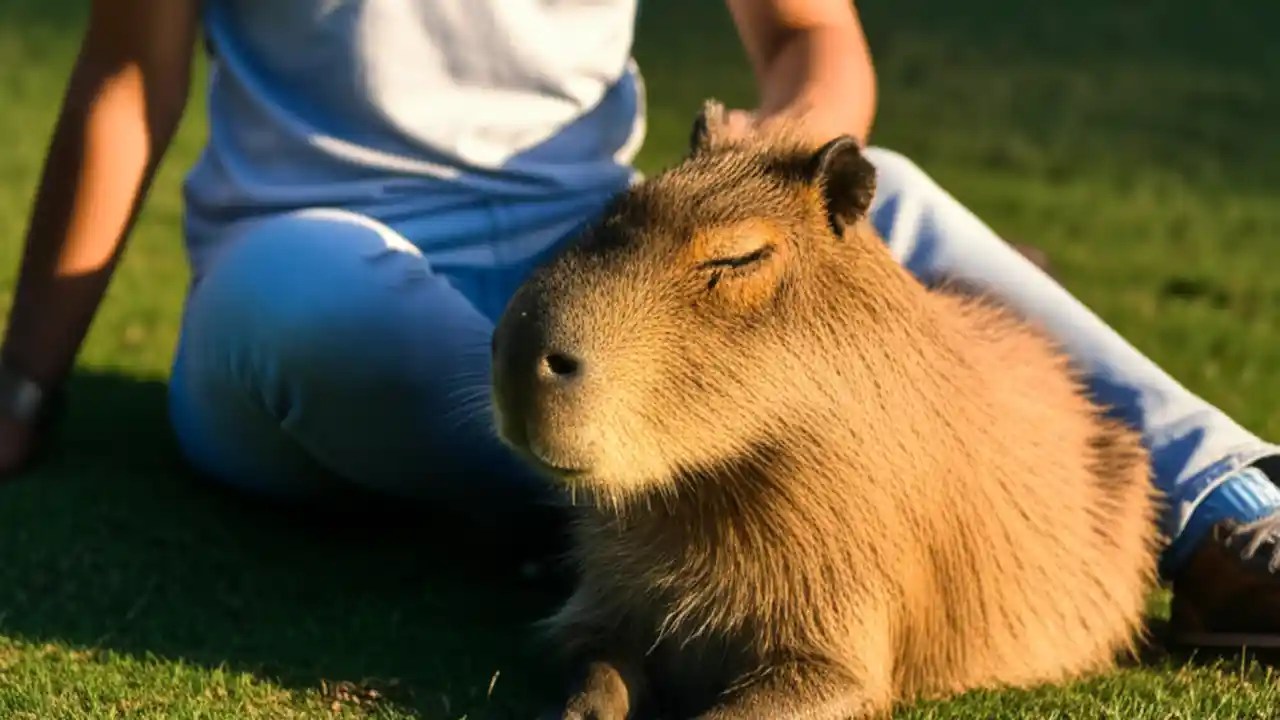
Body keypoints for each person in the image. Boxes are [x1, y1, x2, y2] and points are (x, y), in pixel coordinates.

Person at [1, 0, 1277, 647]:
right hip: (308, 250)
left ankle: (1228, 510)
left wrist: (770, 174)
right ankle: (653, 526)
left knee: (876, 183)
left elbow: (808, 36)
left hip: (602, 253)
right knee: (319, 320)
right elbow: (126, 78)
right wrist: (26, 376)